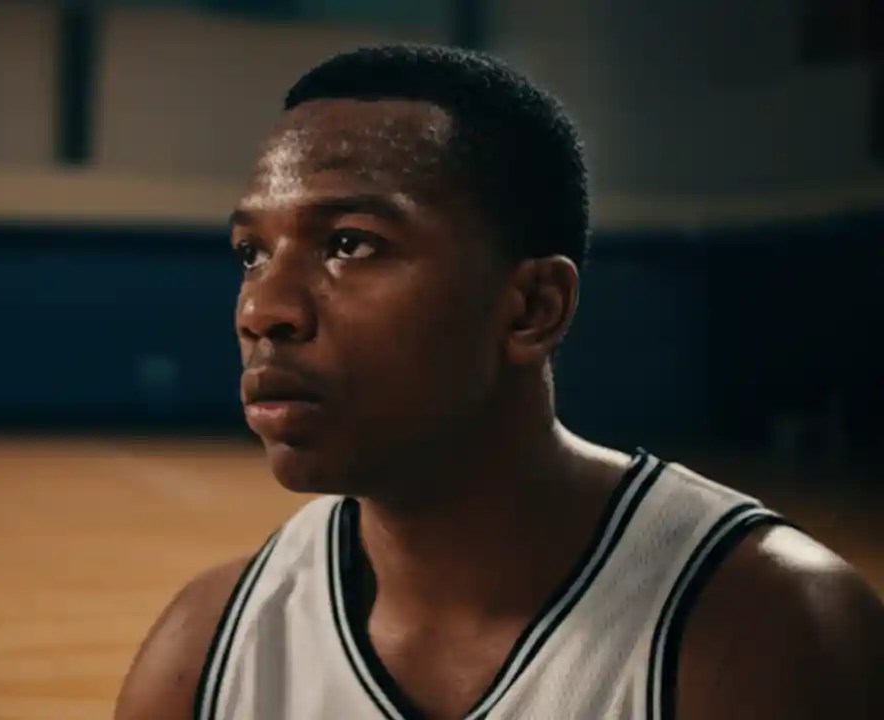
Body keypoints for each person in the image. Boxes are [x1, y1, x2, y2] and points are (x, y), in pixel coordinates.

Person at [114, 44, 883, 719]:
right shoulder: (206, 652)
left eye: (350, 244)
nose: (263, 309)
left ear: (531, 308)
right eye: (252, 252)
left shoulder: (770, 634)